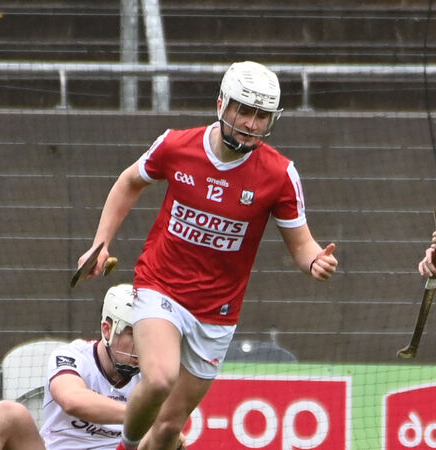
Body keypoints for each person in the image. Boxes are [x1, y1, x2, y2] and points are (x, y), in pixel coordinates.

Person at [76, 61, 338, 450]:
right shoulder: (176, 145)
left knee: (168, 428)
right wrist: (100, 243)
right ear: (222, 105)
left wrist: (315, 261)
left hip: (217, 313)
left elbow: (302, 245)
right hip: (160, 286)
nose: (251, 123)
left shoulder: (280, 175)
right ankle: (125, 448)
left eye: (262, 116)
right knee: (161, 378)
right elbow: (129, 182)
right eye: (244, 111)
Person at [0, 284, 166, 450]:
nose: (143, 344)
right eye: (133, 334)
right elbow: (72, 400)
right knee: (6, 413)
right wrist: (141, 414)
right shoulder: (73, 355)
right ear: (107, 329)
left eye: (147, 334)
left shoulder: (156, 375)